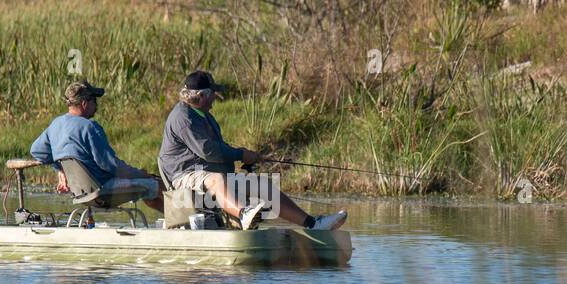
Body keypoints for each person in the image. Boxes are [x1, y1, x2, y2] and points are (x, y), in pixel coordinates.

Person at [158, 70, 346, 231]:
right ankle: (243, 214)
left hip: (209, 176)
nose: (216, 96)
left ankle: (313, 224)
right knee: (217, 179)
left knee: (260, 184)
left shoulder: (206, 117)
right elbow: (208, 151)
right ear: (202, 95)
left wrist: (244, 161)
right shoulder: (184, 118)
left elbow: (218, 151)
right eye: (213, 92)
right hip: (183, 178)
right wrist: (241, 154)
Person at [30, 81, 163, 213]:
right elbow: (111, 166)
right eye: (94, 100)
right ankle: (180, 225)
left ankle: (174, 225)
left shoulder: (55, 124)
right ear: (84, 104)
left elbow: (37, 151)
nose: (97, 105)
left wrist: (60, 168)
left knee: (150, 186)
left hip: (79, 193)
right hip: (103, 190)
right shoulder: (90, 127)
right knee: (159, 185)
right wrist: (141, 174)